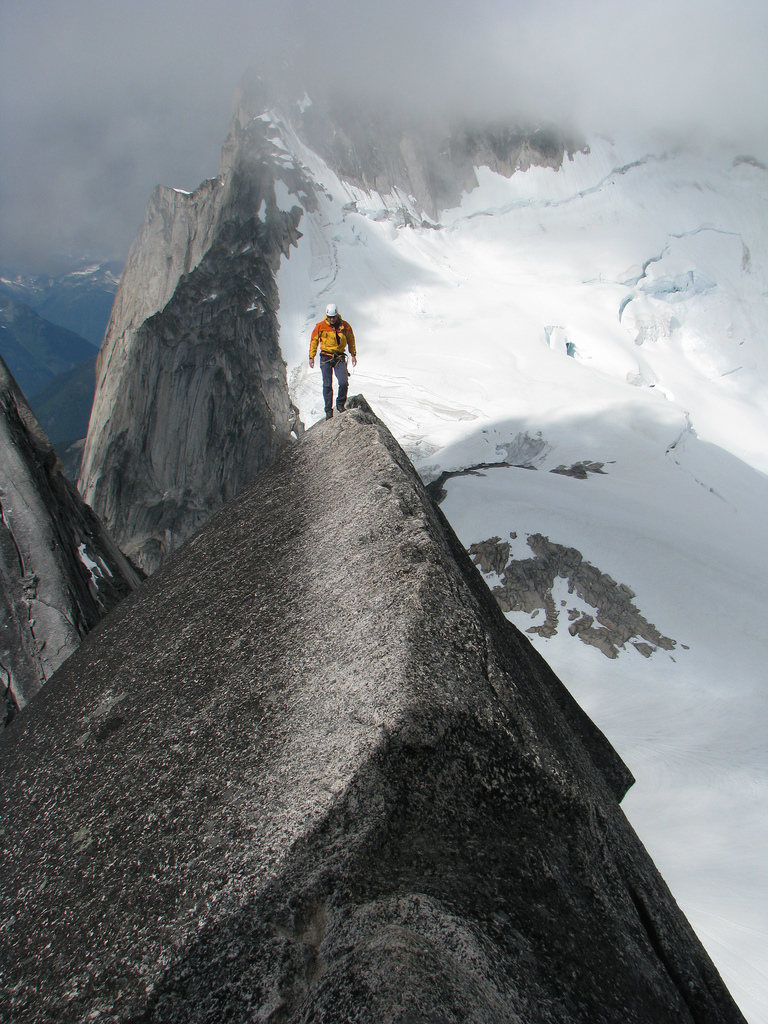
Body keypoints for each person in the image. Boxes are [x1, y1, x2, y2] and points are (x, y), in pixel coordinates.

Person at [309, 303, 357, 419]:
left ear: (337, 315)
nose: (331, 319)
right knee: (327, 385)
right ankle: (328, 411)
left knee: (343, 382)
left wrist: (353, 354)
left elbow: (351, 339)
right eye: (330, 317)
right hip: (325, 357)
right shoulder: (320, 326)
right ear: (327, 316)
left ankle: (340, 404)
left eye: (333, 317)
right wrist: (311, 356)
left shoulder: (345, 326)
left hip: (338, 357)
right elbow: (314, 340)